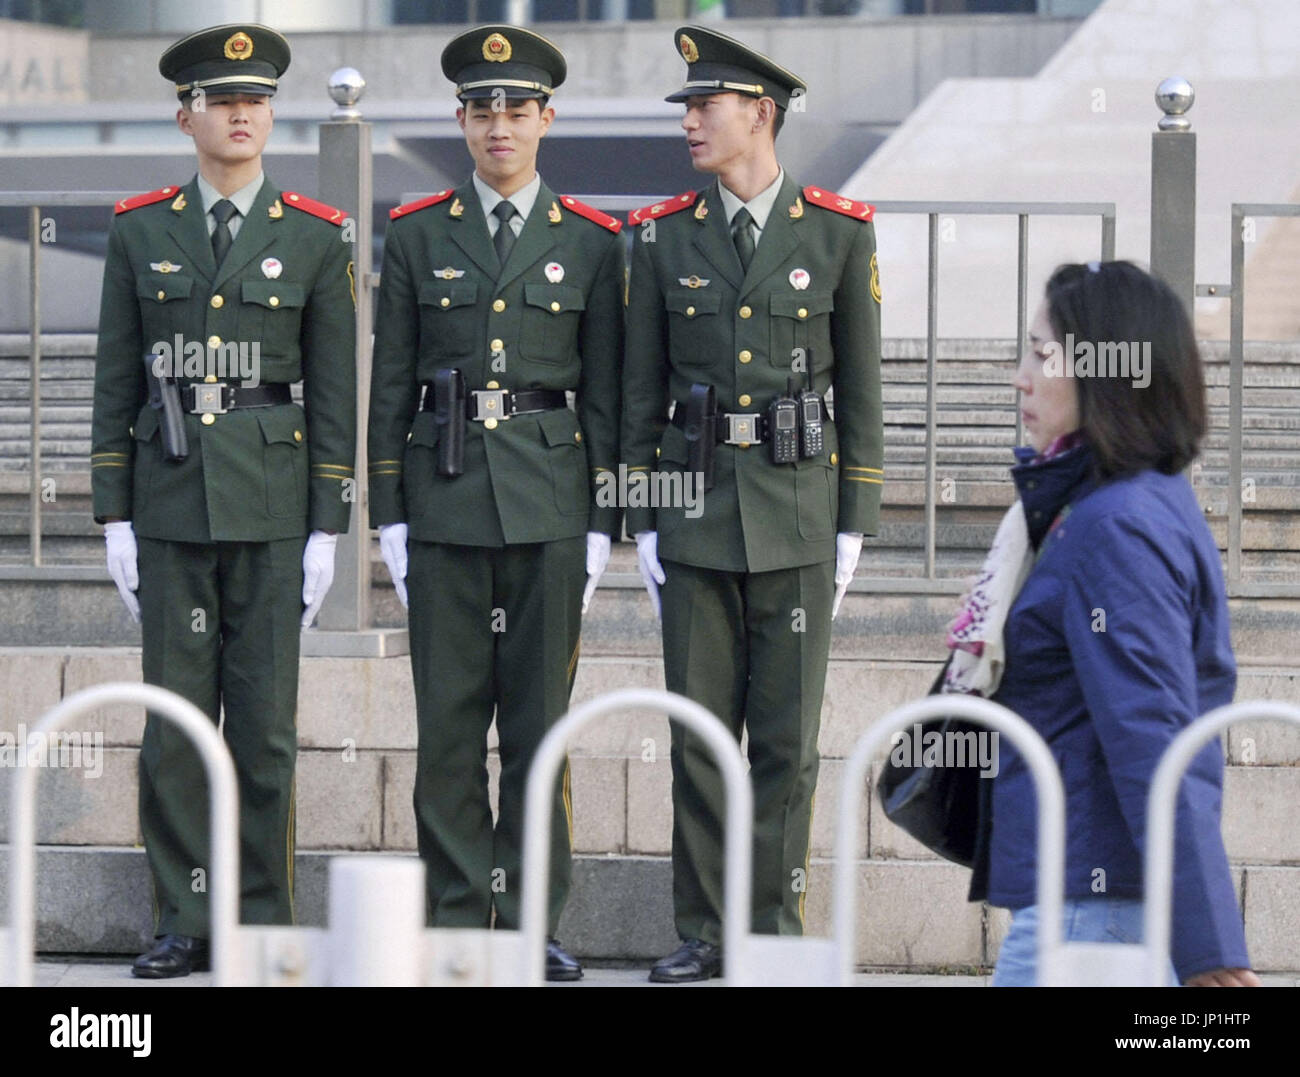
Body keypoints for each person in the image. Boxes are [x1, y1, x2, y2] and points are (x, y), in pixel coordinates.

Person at [91, 23, 357, 977]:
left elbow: (335, 392)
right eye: (222, 98)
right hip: (168, 501)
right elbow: (115, 376)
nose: (243, 113)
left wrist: (330, 524)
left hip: (274, 506)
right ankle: (184, 916)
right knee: (174, 723)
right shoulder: (141, 227)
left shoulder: (316, 237)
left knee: (264, 725)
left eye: (257, 100)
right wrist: (113, 514)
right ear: (185, 114)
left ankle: (260, 914)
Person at [621, 25, 883, 982]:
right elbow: (639, 386)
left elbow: (861, 388)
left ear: (759, 114)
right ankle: (703, 928)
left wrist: (855, 522)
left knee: (786, 742)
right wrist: (640, 515)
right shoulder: (659, 237)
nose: (690, 122)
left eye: (705, 106)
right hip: (694, 512)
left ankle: (769, 928)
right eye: (689, 107)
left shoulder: (838, 232)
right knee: (698, 734)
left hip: (799, 513)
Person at [367, 24, 625, 982]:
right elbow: (390, 381)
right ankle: (455, 915)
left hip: (551, 508)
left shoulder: (594, 241)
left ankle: (528, 920)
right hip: (441, 504)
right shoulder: (418, 229)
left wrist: (607, 521)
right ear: (462, 121)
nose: (500, 126)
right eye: (483, 110)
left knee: (537, 732)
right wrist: (387, 513)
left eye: (518, 109)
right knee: (446, 730)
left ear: (547, 119)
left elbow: (607, 393)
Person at [966, 260, 1258, 986]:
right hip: (1097, 902)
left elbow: (1154, 739)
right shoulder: (1125, 503)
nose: (1020, 379)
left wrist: (1209, 946)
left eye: (1042, 355)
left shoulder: (1115, 525)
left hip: (1091, 918)